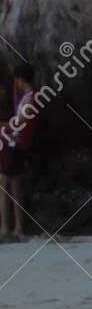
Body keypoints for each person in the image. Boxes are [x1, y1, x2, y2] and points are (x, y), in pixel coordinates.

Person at [1, 62, 38, 242]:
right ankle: (16, 228)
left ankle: (7, 227)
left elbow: (20, 121)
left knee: (5, 185)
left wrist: (3, 125)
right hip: (16, 145)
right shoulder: (26, 96)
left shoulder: (29, 98)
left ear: (20, 79)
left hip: (17, 147)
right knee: (14, 187)